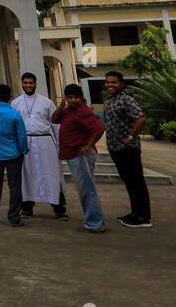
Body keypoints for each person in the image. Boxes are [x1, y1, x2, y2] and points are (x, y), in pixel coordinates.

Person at [52, 84, 107, 233]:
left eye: (76, 97)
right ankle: (92, 218)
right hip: (73, 155)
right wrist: (61, 105)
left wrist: (88, 145)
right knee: (84, 189)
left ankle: (96, 223)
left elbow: (100, 128)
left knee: (87, 189)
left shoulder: (83, 111)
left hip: (81, 155)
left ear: (81, 97)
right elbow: (55, 119)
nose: (73, 100)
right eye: (70, 97)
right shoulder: (69, 111)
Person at [12, 72, 67, 220]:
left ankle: (59, 208)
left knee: (52, 174)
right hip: (25, 143)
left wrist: (60, 145)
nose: (28, 85)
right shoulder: (16, 103)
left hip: (45, 143)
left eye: (31, 83)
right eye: (25, 83)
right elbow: (13, 126)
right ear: (22, 84)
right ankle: (27, 208)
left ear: (36, 84)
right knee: (27, 175)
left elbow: (55, 124)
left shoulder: (46, 102)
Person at [101, 70, 152, 227]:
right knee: (129, 181)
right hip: (115, 148)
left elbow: (141, 118)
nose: (110, 85)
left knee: (136, 181)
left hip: (128, 148)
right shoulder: (109, 101)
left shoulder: (127, 100)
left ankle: (143, 217)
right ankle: (135, 213)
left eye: (114, 82)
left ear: (121, 84)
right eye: (108, 82)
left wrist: (130, 137)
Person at [0, 84, 29, 226]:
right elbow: (21, 136)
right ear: (10, 97)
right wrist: (24, 150)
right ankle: (14, 217)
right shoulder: (15, 114)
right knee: (14, 186)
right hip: (13, 154)